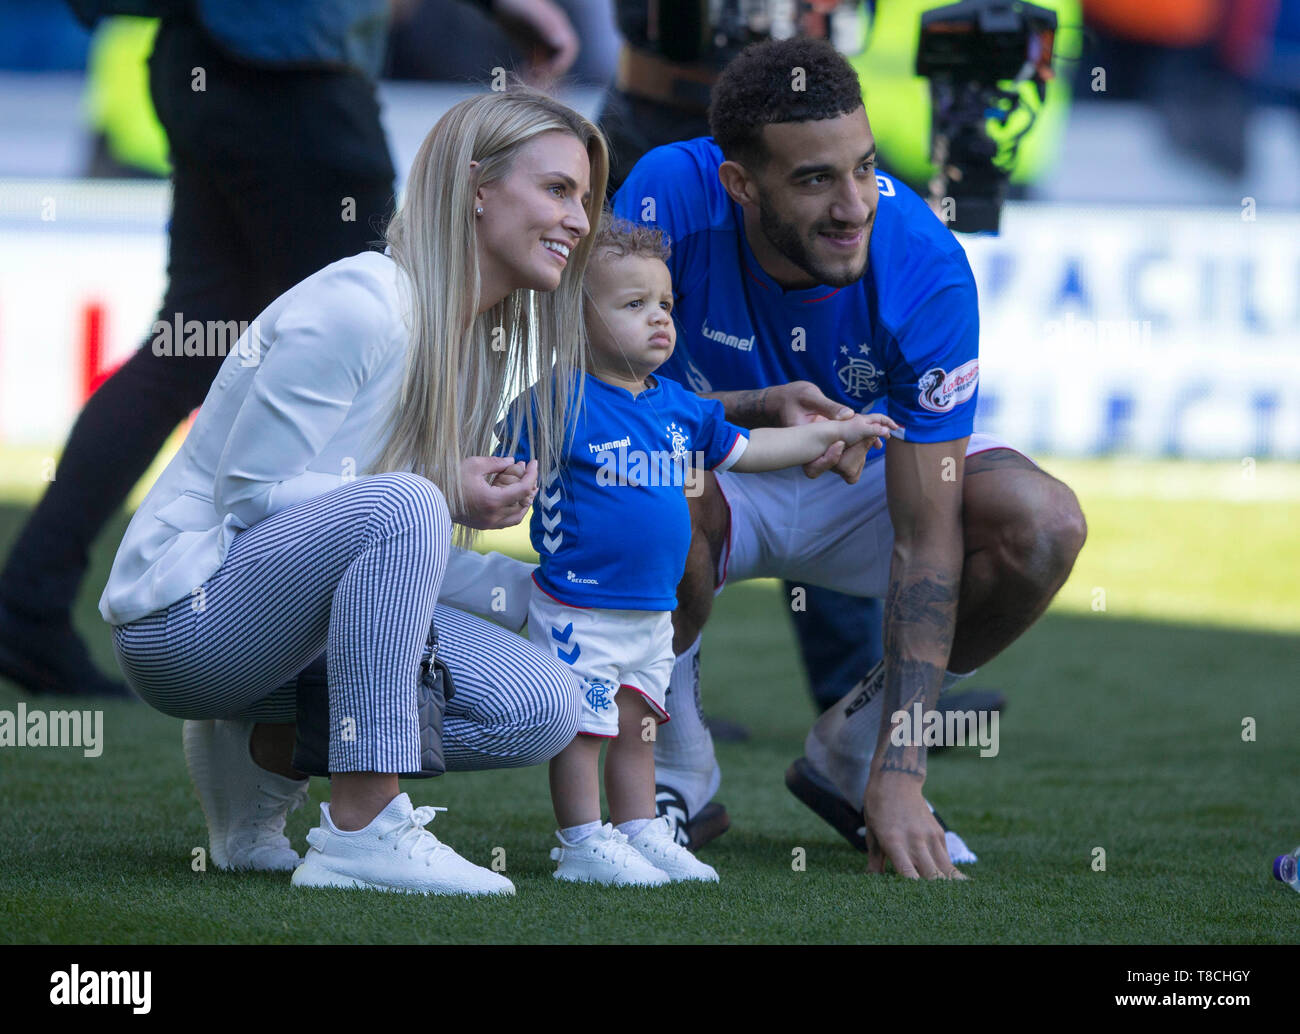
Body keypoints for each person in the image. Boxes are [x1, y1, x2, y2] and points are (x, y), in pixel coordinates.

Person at [98, 86, 610, 894]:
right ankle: (361, 829)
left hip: (286, 635)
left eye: (584, 198)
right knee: (407, 501)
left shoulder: (468, 344)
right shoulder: (362, 302)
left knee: (544, 703)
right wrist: (437, 489)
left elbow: (386, 565)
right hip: (186, 623)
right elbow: (251, 496)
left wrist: (537, 592)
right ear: (477, 188)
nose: (580, 221)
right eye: (557, 190)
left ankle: (265, 749)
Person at [596, 37, 1087, 879]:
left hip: (872, 479)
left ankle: (851, 756)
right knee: (643, 480)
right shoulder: (666, 197)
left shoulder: (924, 262)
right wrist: (757, 411)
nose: (854, 203)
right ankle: (676, 773)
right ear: (740, 183)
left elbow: (926, 539)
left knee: (1042, 525)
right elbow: (608, 405)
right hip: (723, 468)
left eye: (863, 168)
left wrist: (903, 770)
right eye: (816, 179)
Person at [0, 0, 580, 701]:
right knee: (385, 309)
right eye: (558, 192)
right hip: (292, 70)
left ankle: (32, 598)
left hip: (207, 58)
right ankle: (345, 766)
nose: (576, 219)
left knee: (189, 346)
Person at [507, 213, 897, 885]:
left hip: (651, 611)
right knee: (584, 727)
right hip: (581, 604)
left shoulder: (678, 405)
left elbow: (754, 449)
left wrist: (837, 432)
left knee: (636, 724)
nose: (660, 319)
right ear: (572, 317)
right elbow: (499, 467)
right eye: (634, 305)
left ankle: (638, 831)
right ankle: (579, 842)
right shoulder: (558, 400)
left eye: (665, 304)